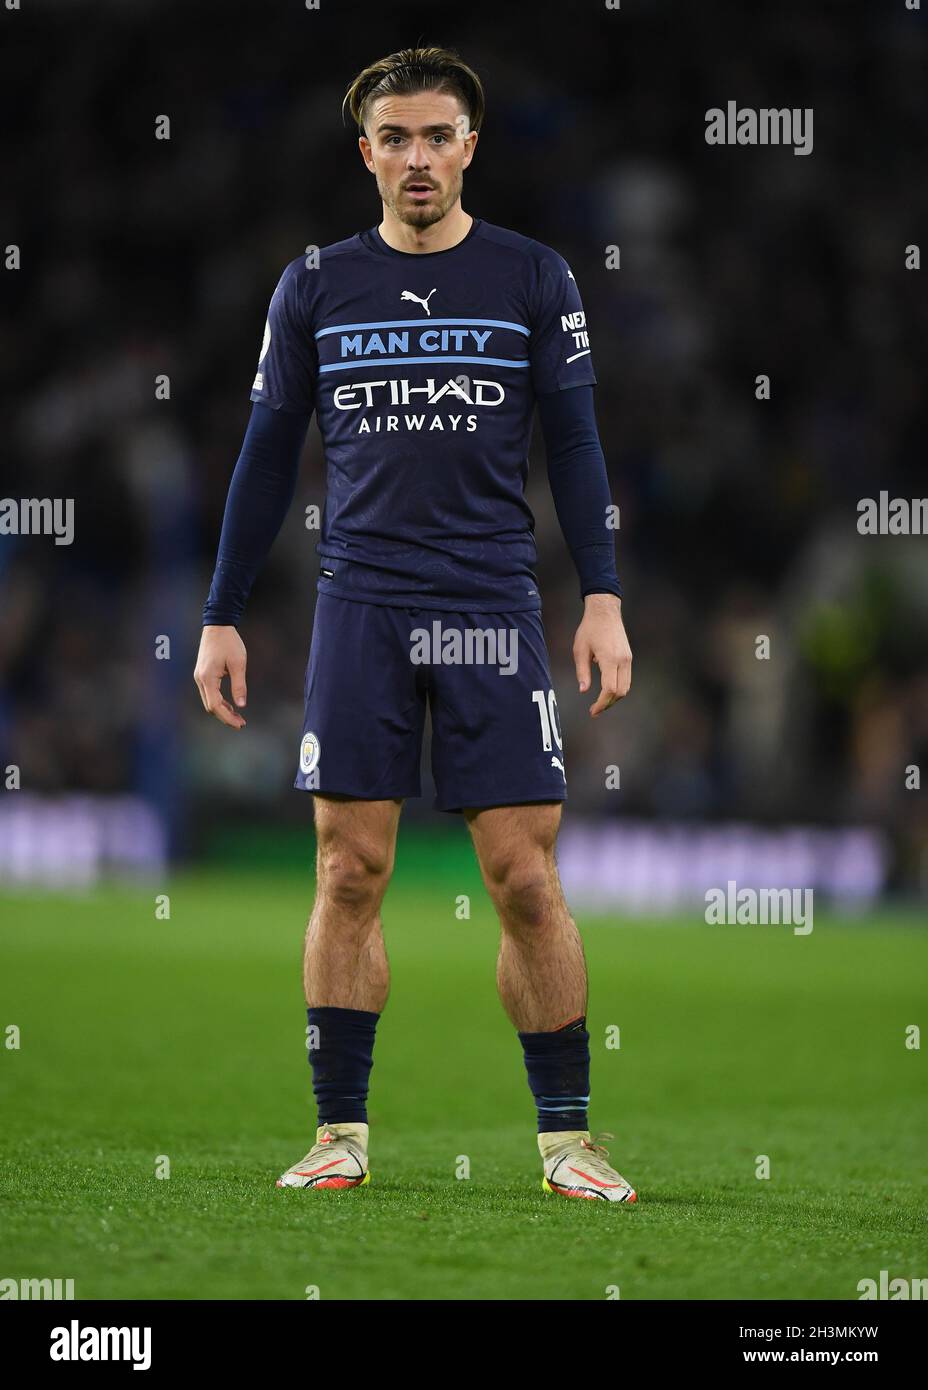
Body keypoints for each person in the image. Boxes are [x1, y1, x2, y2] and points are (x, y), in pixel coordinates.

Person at [194, 45, 635, 1202]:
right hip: (361, 604)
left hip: (493, 604)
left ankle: (568, 1142)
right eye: (395, 137)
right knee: (348, 868)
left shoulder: (533, 277)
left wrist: (601, 594)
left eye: (438, 135)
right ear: (367, 153)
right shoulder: (315, 285)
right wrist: (221, 613)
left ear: (470, 146)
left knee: (524, 877)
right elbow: (263, 454)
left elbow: (578, 445)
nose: (418, 156)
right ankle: (339, 1134)